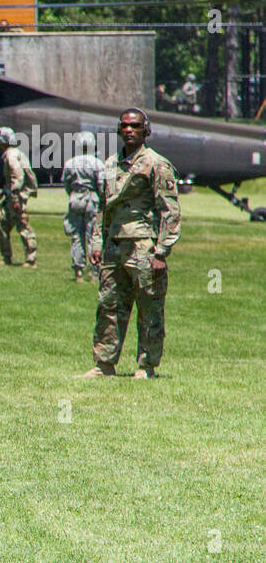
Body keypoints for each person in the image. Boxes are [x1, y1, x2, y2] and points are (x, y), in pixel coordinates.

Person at [83, 108, 181, 379]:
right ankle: (104, 364)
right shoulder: (111, 164)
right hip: (114, 246)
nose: (129, 130)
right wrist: (96, 242)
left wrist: (161, 251)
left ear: (145, 130)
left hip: (144, 247)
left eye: (135, 126)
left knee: (149, 307)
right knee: (109, 305)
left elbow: (169, 211)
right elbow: (103, 207)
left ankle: (147, 366)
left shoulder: (156, 164)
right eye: (124, 126)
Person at [62, 132, 106, 281]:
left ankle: (78, 271)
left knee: (76, 236)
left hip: (75, 199)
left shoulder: (70, 163)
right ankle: (94, 272)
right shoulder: (97, 163)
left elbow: (66, 183)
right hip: (92, 200)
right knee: (93, 236)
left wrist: (73, 194)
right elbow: (101, 185)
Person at [0, 126, 37, 267]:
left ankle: (31, 260)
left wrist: (15, 198)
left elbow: (17, 176)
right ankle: (6, 258)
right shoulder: (15, 153)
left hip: (16, 197)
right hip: (13, 195)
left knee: (23, 227)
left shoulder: (10, 155)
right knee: (2, 226)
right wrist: (3, 193)